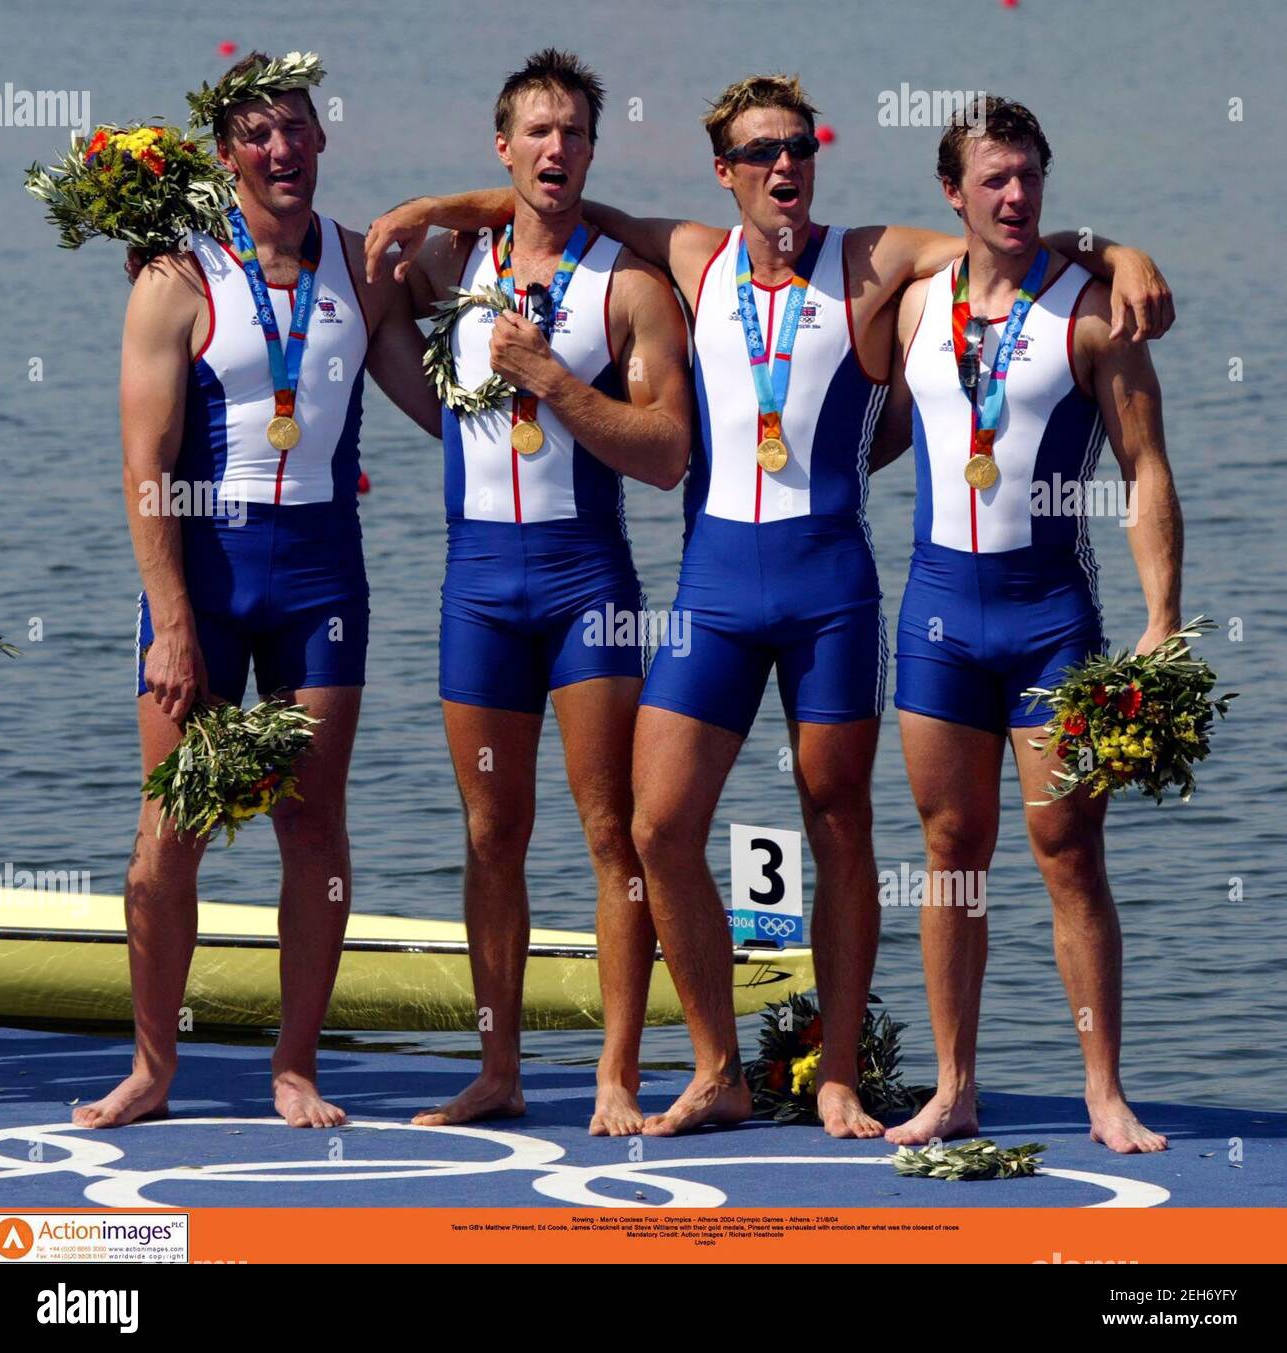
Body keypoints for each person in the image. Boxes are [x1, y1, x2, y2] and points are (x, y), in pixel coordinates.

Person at [367, 74, 1172, 1139]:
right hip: (715, 586)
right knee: (656, 825)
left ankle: (836, 1072)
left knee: (840, 822)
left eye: (797, 148)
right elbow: (561, 206)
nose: (782, 167)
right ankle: (717, 1070)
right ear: (726, 172)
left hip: (832, 589)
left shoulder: (873, 260)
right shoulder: (692, 256)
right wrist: (432, 212)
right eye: (759, 154)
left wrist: (1118, 252)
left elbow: (1003, 238)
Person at [74, 51, 438, 1130]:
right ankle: (152, 1067)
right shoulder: (175, 278)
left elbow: (436, 403)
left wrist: (549, 405)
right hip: (206, 571)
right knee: (170, 830)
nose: (281, 151)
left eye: (297, 130)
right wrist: (173, 623)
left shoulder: (367, 268)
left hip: (322, 573)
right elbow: (145, 466)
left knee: (312, 824)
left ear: (323, 140)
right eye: (258, 136)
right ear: (228, 155)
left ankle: (294, 1066)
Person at [378, 50, 692, 1135]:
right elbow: (355, 287)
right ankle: (497, 1071)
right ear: (502, 150)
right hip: (477, 586)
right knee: (489, 832)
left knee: (614, 834)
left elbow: (666, 456)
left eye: (575, 134)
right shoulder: (450, 265)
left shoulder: (630, 286)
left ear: (593, 153)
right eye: (538, 133)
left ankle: (617, 1075)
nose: (557, 149)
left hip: (583, 584)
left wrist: (552, 381)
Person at [873, 97, 1180, 1154]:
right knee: (951, 851)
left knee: (1068, 851)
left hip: (1051, 618)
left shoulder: (1091, 311)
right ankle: (953, 1089)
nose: (1014, 196)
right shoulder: (915, 307)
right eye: (992, 179)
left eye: (1028, 177)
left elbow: (1145, 470)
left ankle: (1102, 1092)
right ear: (951, 194)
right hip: (937, 617)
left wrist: (1162, 619)